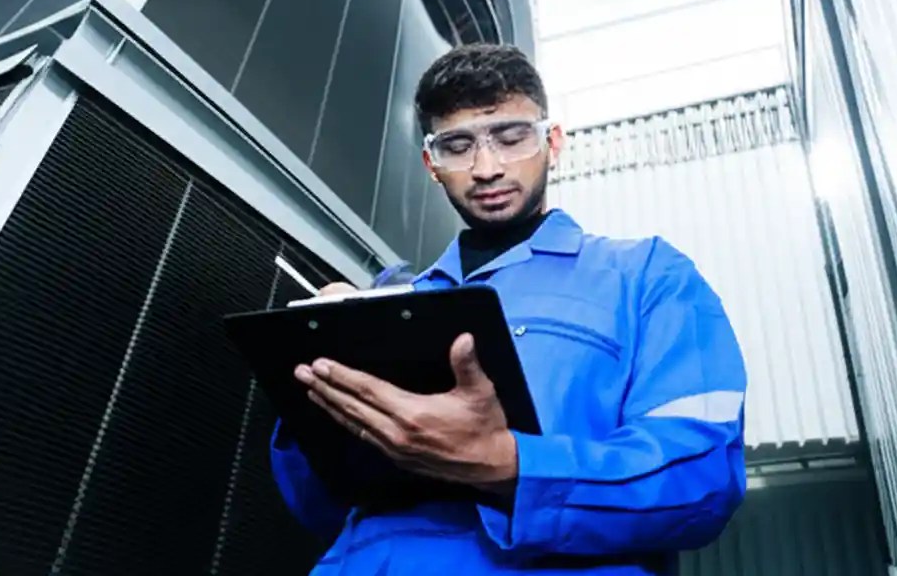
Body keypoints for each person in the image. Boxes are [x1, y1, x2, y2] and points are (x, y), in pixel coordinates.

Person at [271, 43, 747, 574]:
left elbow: (702, 478)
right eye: (457, 145)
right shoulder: (389, 306)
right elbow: (318, 506)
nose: (486, 167)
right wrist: (314, 371)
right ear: (431, 163)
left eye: (511, 137)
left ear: (553, 142)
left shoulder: (646, 276)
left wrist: (504, 464)